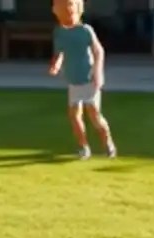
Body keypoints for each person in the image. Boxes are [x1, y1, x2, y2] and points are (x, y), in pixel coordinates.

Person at [48, 0, 116, 159]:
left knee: (94, 115)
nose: (67, 13)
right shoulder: (59, 33)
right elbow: (59, 52)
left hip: (89, 80)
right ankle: (83, 147)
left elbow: (99, 52)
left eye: (70, 8)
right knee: (74, 115)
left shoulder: (86, 31)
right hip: (73, 80)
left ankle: (108, 144)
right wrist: (56, 65)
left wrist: (98, 73)